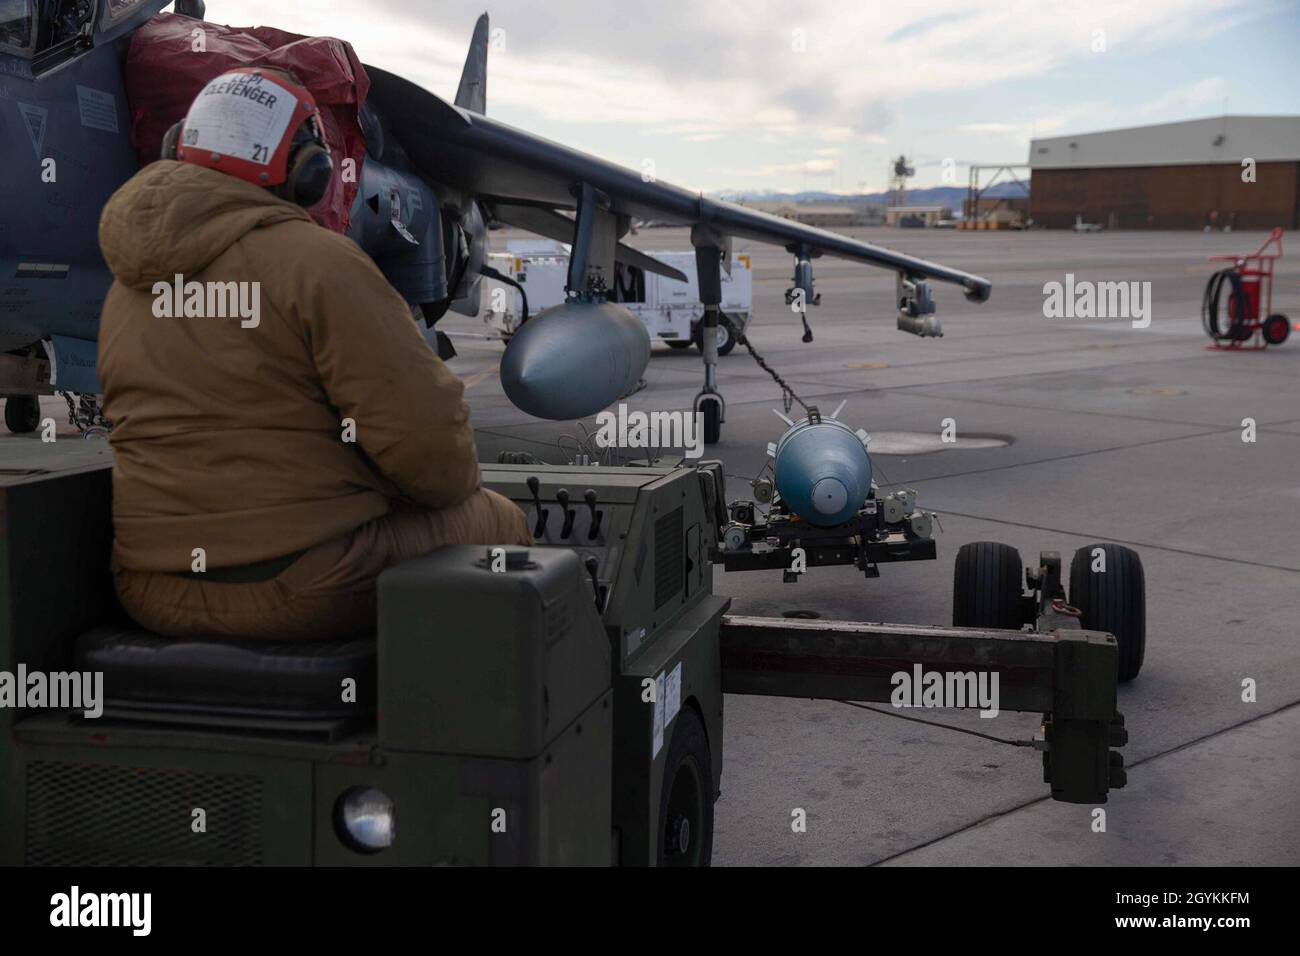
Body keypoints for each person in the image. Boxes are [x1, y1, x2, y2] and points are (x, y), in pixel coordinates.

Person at [97, 66, 531, 641]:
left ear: (180, 146)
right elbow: (432, 453)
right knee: (501, 520)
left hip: (149, 589)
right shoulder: (320, 264)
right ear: (307, 171)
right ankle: (458, 714)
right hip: (297, 586)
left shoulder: (125, 286)